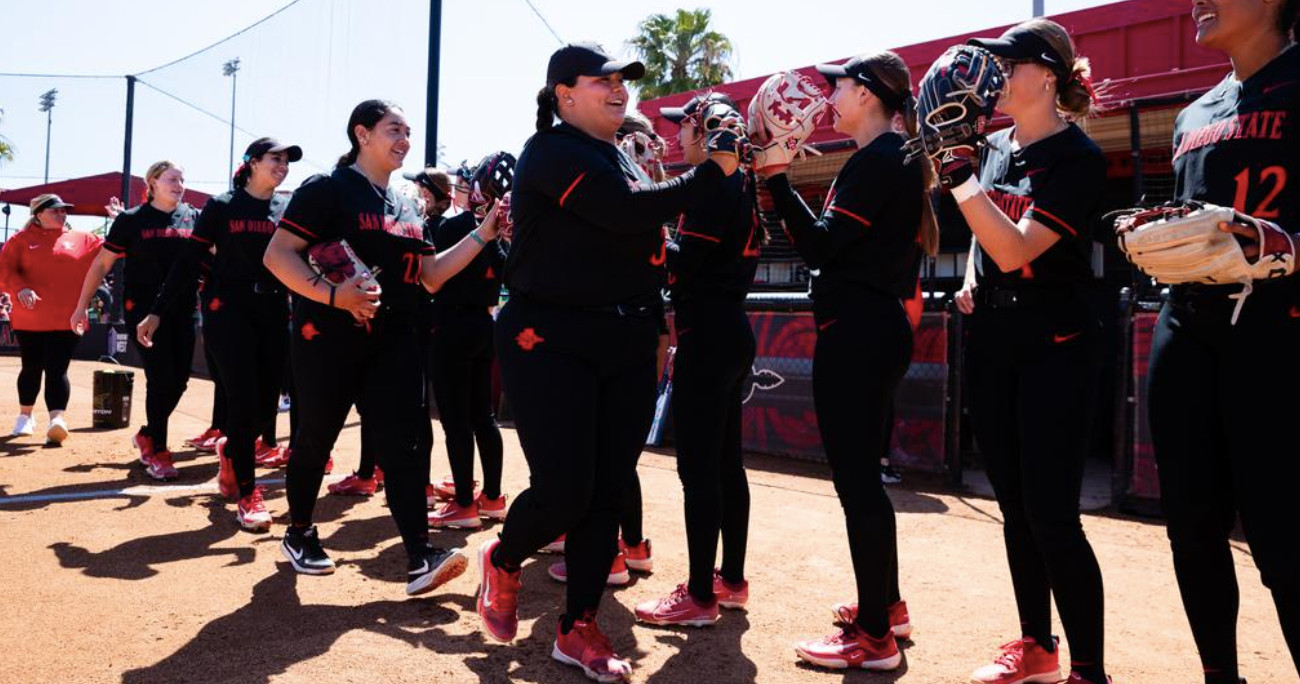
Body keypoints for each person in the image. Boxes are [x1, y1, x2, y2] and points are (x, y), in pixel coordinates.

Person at [472, 42, 743, 682]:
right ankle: (505, 556)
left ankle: (579, 626)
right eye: (604, 80)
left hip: (623, 336)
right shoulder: (551, 148)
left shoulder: (621, 156)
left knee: (607, 491)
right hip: (549, 335)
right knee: (567, 490)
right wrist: (710, 171)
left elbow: (649, 246)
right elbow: (622, 212)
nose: (620, 88)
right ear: (565, 93)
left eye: (625, 80)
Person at [263, 99, 495, 596]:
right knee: (316, 436)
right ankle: (299, 530)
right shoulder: (327, 189)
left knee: (405, 446)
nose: (405, 139)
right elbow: (277, 254)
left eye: (408, 131)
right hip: (327, 336)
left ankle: (419, 555)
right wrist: (333, 295)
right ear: (361, 133)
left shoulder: (408, 203)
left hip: (395, 337)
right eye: (394, 129)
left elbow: (430, 277)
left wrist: (483, 233)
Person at [754, 52, 932, 671]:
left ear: (870, 94)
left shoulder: (881, 157)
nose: (832, 95)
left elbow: (821, 247)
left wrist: (776, 177)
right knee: (863, 481)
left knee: (857, 484)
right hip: (869, 327)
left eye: (842, 85)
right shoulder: (888, 155)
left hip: (858, 331)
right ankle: (887, 606)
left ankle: (875, 636)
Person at [946, 20, 1110, 684]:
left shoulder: (1078, 157)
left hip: (1056, 344)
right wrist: (967, 277)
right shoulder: (994, 146)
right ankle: (1036, 647)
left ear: (1046, 74)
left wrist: (959, 177)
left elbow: (1017, 249)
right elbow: (990, 244)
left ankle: (1089, 670)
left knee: (1051, 513)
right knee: (1014, 503)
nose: (995, 77)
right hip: (996, 337)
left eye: (1007, 66)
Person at [1141, 2, 1300, 681]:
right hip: (1186, 324)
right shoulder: (1193, 112)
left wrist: (1285, 242)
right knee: (1192, 531)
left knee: (1284, 541)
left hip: (1279, 337)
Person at [633, 93, 761, 627]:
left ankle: (701, 595)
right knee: (727, 464)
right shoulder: (740, 181)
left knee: (699, 470)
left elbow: (681, 267)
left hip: (707, 332)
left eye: (682, 125)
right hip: (729, 328)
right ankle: (729, 580)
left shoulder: (717, 184)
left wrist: (645, 219)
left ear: (705, 129)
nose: (676, 135)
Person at [141, 138, 303, 532]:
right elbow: (189, 259)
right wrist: (157, 311)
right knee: (243, 401)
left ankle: (232, 450)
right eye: (275, 158)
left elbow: (306, 258)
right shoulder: (222, 206)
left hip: (274, 310)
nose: (282, 165)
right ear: (251, 163)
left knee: (266, 408)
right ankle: (248, 495)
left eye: (286, 160)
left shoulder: (288, 207)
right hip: (228, 312)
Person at [73, 161, 200, 481]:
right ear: (153, 183)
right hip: (142, 311)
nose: (179, 184)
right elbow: (101, 265)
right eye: (172, 178)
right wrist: (80, 307)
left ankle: (147, 433)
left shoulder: (193, 217)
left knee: (180, 380)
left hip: (183, 309)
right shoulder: (132, 220)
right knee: (160, 378)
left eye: (182, 179)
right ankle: (158, 449)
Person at [421, 160, 509, 529]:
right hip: (483, 324)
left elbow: (431, 280)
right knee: (483, 418)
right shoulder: (503, 237)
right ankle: (491, 496)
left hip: (450, 325)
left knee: (456, 420)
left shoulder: (452, 227)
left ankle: (463, 503)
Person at [0, 194, 103, 443]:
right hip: (30, 318)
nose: (62, 214)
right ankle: (25, 416)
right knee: (32, 366)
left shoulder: (83, 238)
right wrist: (20, 287)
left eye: (64, 210)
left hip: (69, 317)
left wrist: (121, 220)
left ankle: (57, 420)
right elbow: (4, 270)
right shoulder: (20, 240)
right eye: (55, 210)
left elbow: (114, 250)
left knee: (58, 369)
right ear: (38, 215)